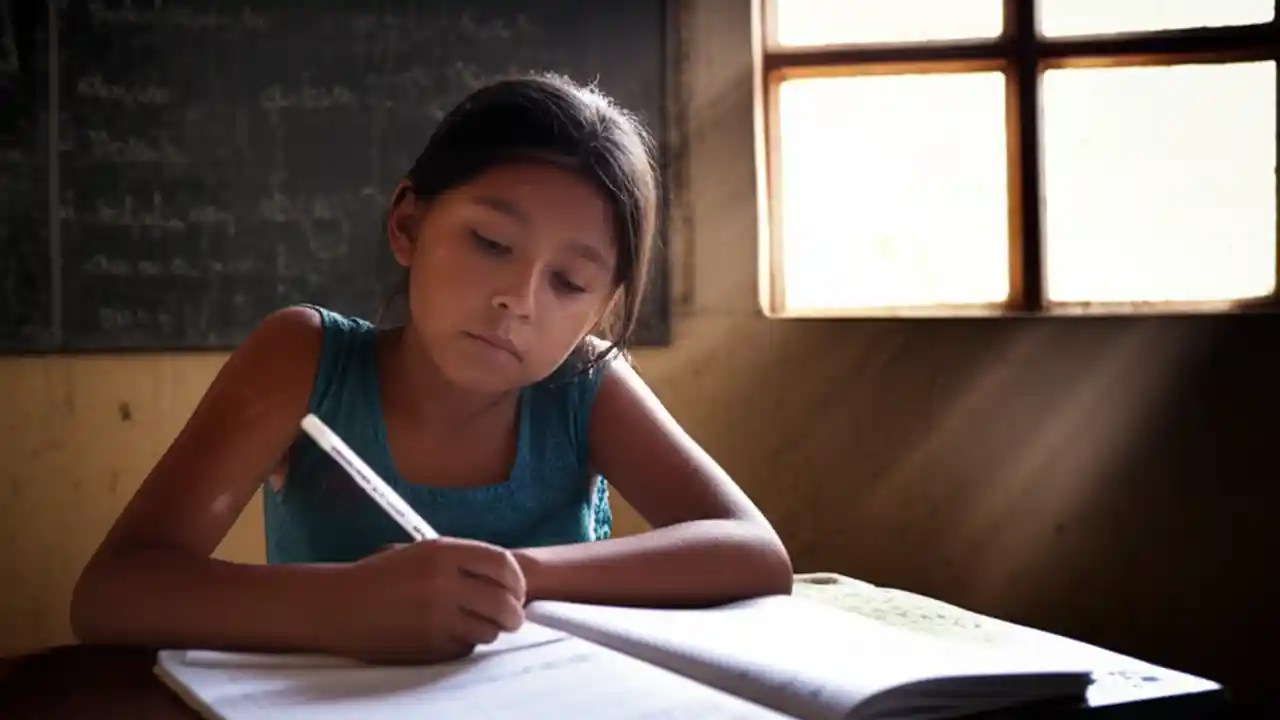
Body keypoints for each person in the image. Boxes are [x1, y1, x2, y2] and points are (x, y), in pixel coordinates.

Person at [71, 73, 792, 664]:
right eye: (488, 241)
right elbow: (112, 594)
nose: (519, 298)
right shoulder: (306, 361)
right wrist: (344, 607)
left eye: (569, 284)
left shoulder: (584, 384)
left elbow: (753, 553)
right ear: (408, 224)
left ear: (599, 310)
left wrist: (518, 576)